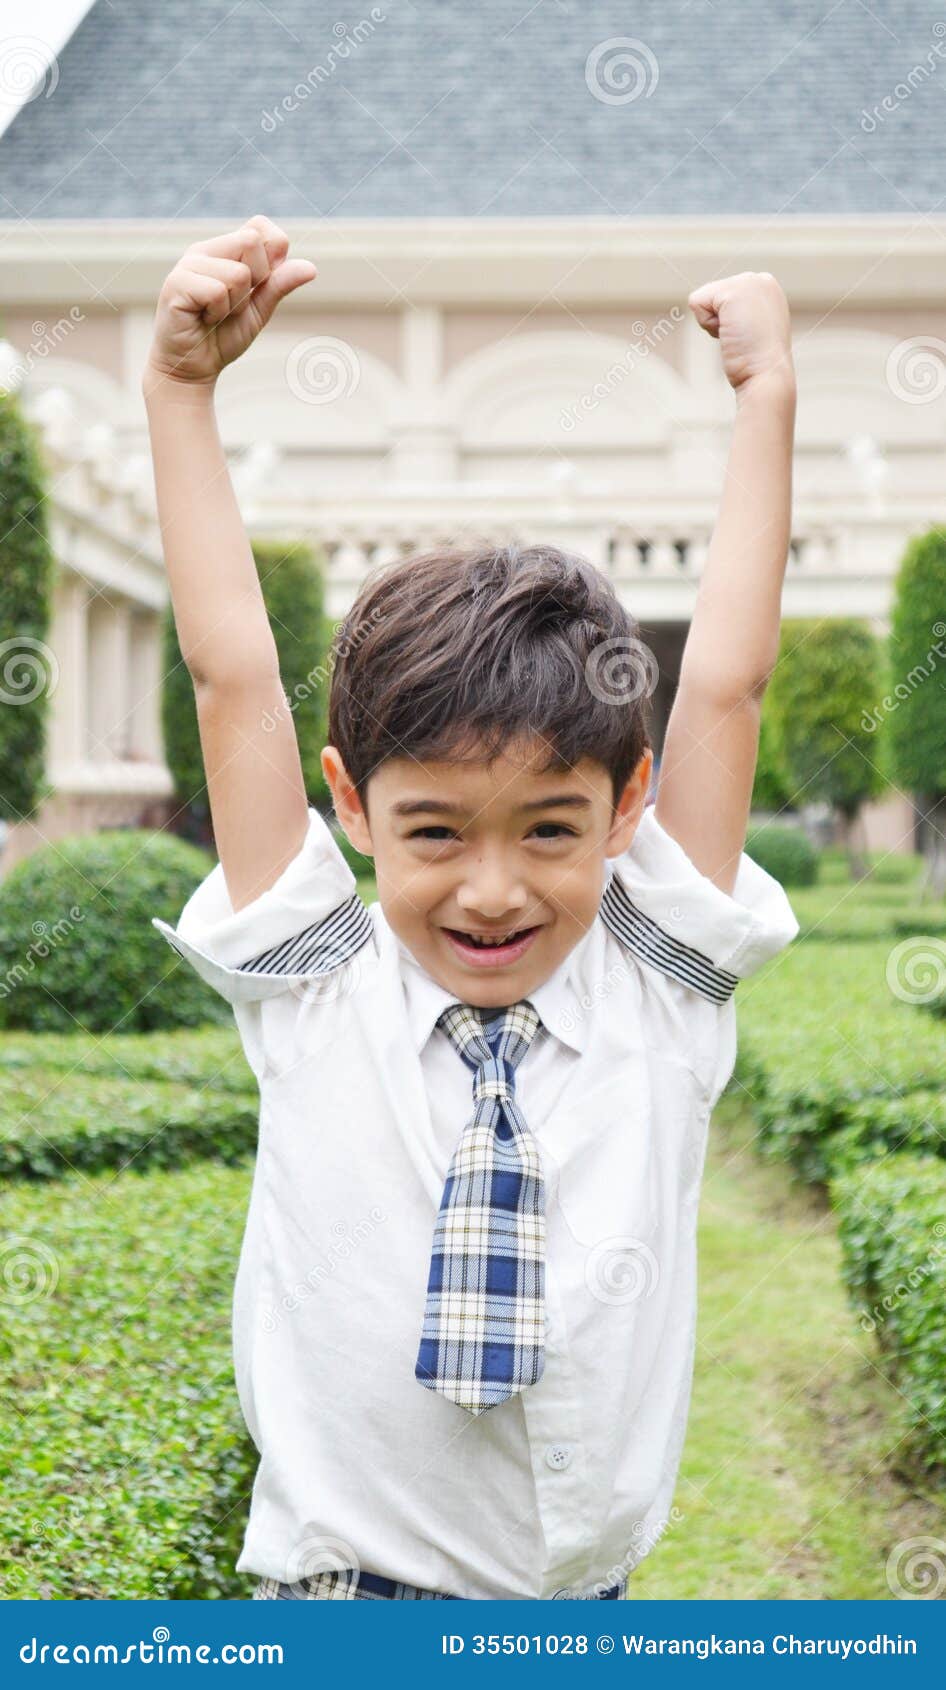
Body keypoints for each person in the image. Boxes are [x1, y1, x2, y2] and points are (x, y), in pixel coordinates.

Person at [143, 215, 799, 1601]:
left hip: (580, 1614)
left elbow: (726, 683)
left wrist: (768, 397)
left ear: (628, 805)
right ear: (351, 804)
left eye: (550, 829)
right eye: (435, 832)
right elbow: (231, 677)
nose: (492, 890)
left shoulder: (661, 982)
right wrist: (180, 391)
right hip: (337, 1611)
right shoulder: (313, 978)